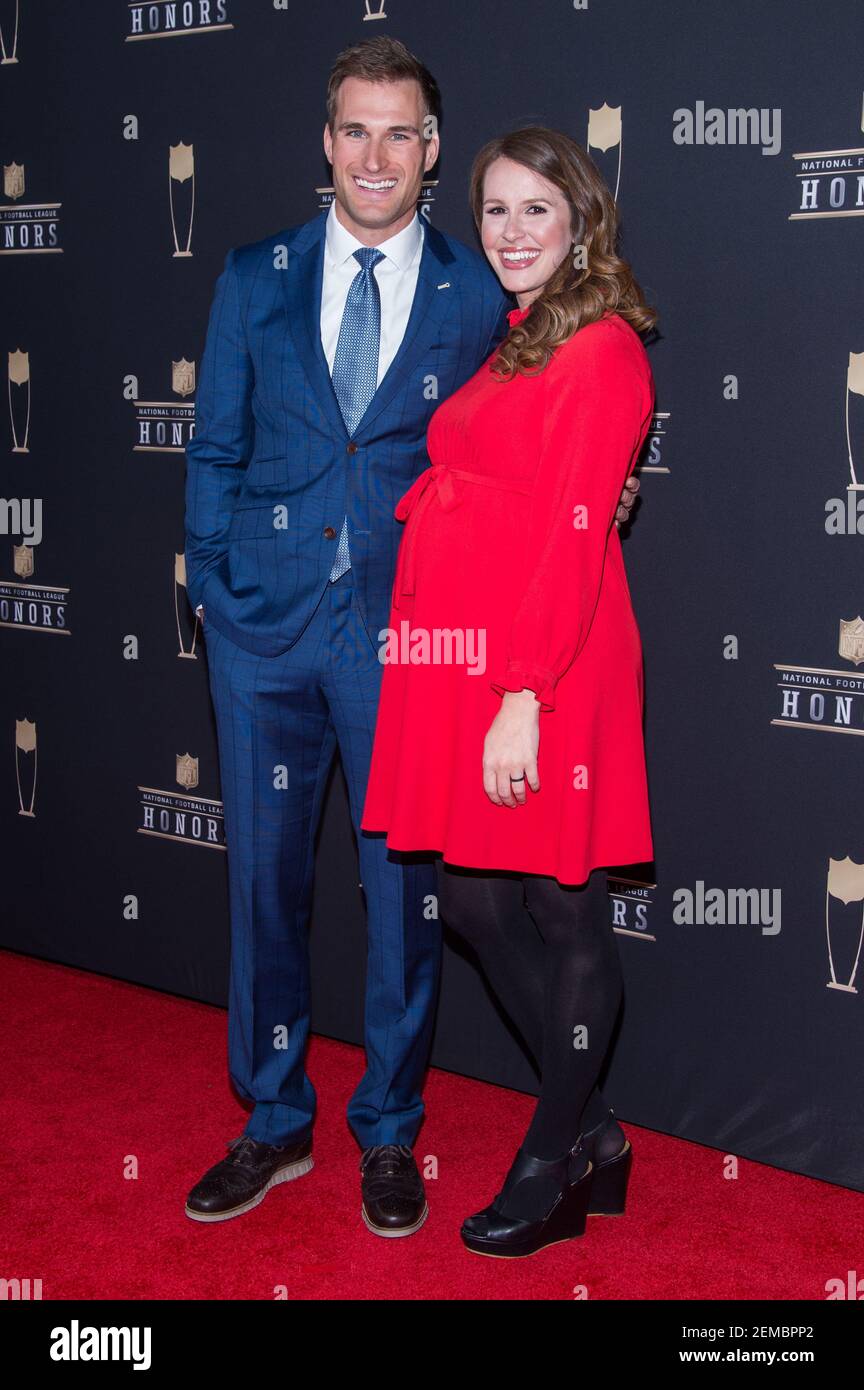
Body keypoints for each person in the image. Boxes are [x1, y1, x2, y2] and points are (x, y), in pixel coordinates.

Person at [183, 37, 638, 1239]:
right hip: (264, 636)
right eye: (354, 129)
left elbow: (555, 437)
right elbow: (213, 446)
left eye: (401, 133)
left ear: (430, 151)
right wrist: (217, 589)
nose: (375, 154)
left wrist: (612, 494)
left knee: (410, 901)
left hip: (414, 652)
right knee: (264, 891)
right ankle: (272, 1119)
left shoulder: (482, 289)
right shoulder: (250, 275)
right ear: (325, 141)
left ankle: (390, 1131)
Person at [360, 126, 657, 1257]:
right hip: (464, 656)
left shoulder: (605, 351)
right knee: (478, 901)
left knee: (563, 904)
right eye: (494, 210)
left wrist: (523, 692)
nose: (514, 231)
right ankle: (593, 1127)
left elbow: (576, 533)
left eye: (539, 209)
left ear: (581, 219)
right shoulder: (524, 336)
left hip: (548, 660)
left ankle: (552, 1152)